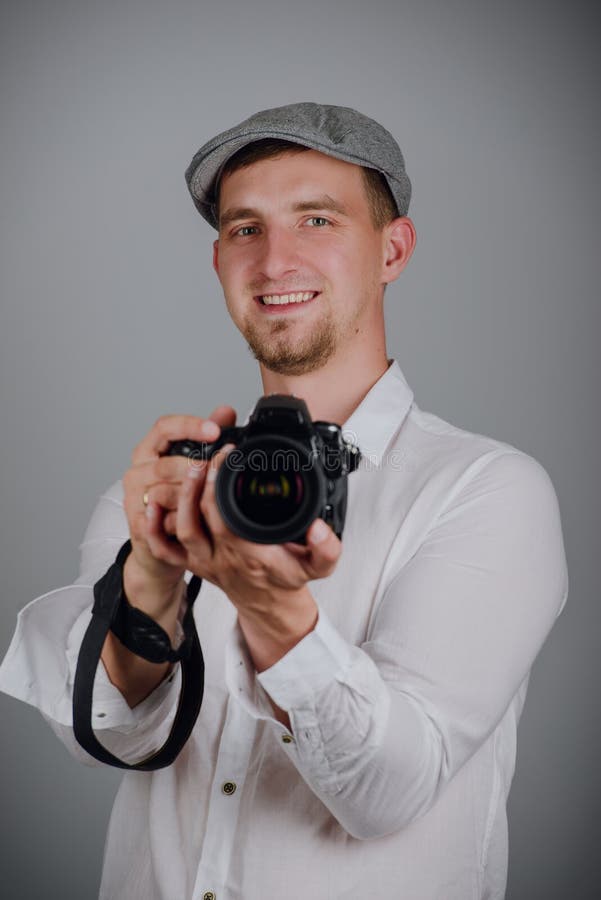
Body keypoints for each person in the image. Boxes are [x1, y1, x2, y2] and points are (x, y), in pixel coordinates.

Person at [0, 102, 568, 900]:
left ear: (392, 249)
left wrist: (272, 611)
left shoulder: (485, 490)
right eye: (245, 229)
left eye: (316, 220)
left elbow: (388, 790)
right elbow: (116, 738)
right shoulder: (166, 492)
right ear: (217, 262)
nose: (274, 262)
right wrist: (149, 589)